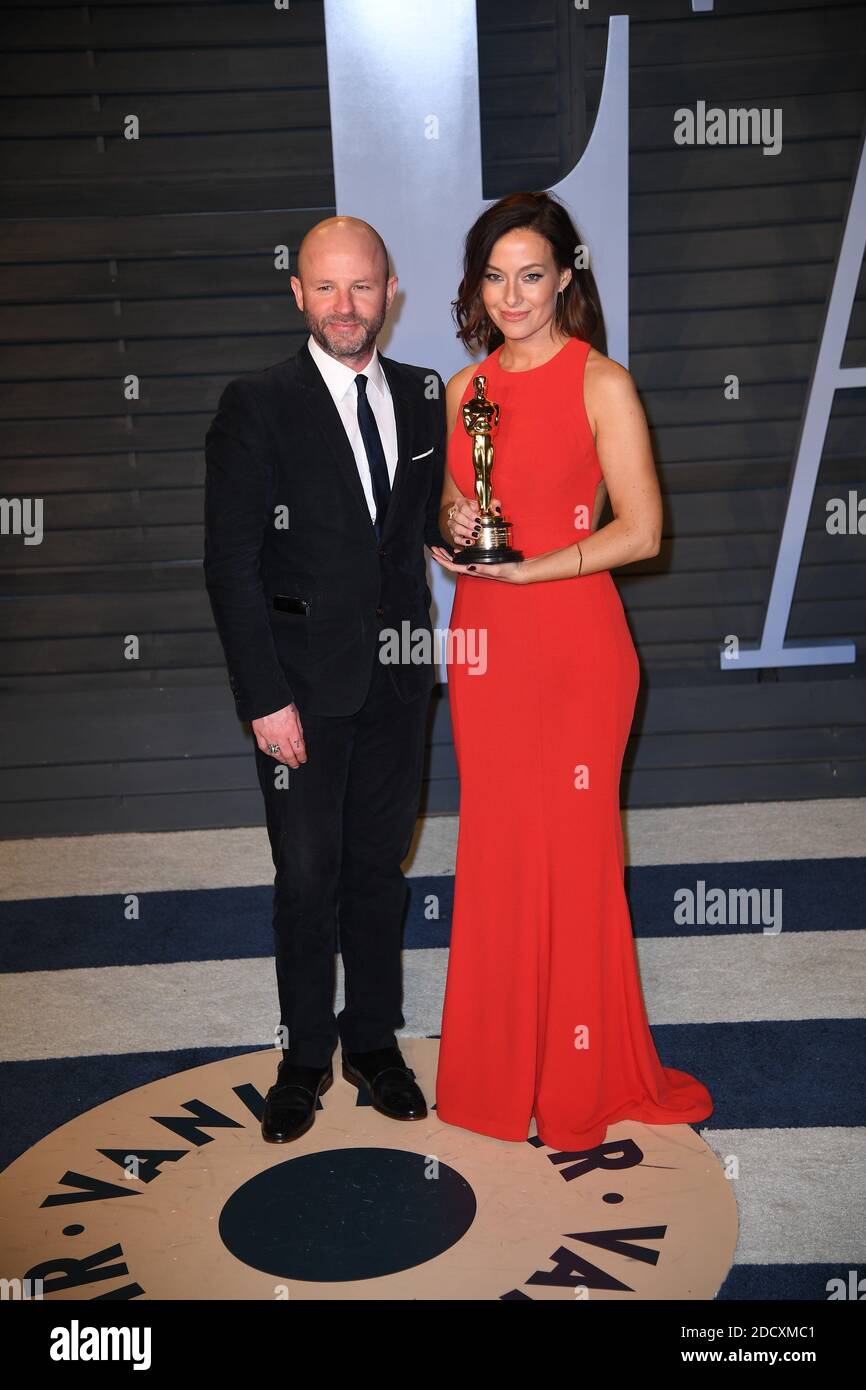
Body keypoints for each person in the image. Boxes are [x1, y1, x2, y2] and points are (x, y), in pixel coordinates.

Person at [431, 191, 714, 1151]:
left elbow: (642, 532)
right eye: (496, 276)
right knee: (500, 852)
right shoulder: (463, 393)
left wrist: (533, 567)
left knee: (577, 856)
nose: (514, 295)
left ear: (565, 278)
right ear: (477, 285)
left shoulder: (603, 382)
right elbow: (456, 513)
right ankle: (498, 1076)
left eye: (533, 275)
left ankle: (584, 1073)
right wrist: (455, 535)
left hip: (578, 648)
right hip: (483, 648)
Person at [204, 216, 446, 1142]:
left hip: (398, 682)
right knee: (306, 874)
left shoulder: (425, 396)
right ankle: (304, 1057)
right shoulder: (256, 403)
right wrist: (264, 700)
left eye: (364, 286)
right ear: (298, 294)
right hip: (299, 689)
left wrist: (461, 536)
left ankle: (373, 1043)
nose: (348, 307)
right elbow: (230, 567)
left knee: (377, 869)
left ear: (390, 291)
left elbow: (421, 527)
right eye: (328, 288)